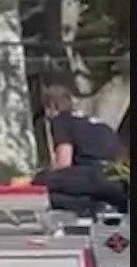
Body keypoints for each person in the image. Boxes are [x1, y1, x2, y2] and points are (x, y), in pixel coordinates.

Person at [31, 85, 126, 215]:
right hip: (117, 181)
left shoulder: (61, 120)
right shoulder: (100, 123)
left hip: (91, 175)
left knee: (40, 182)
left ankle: (91, 207)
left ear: (52, 106)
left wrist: (45, 172)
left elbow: (64, 163)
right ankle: (103, 205)